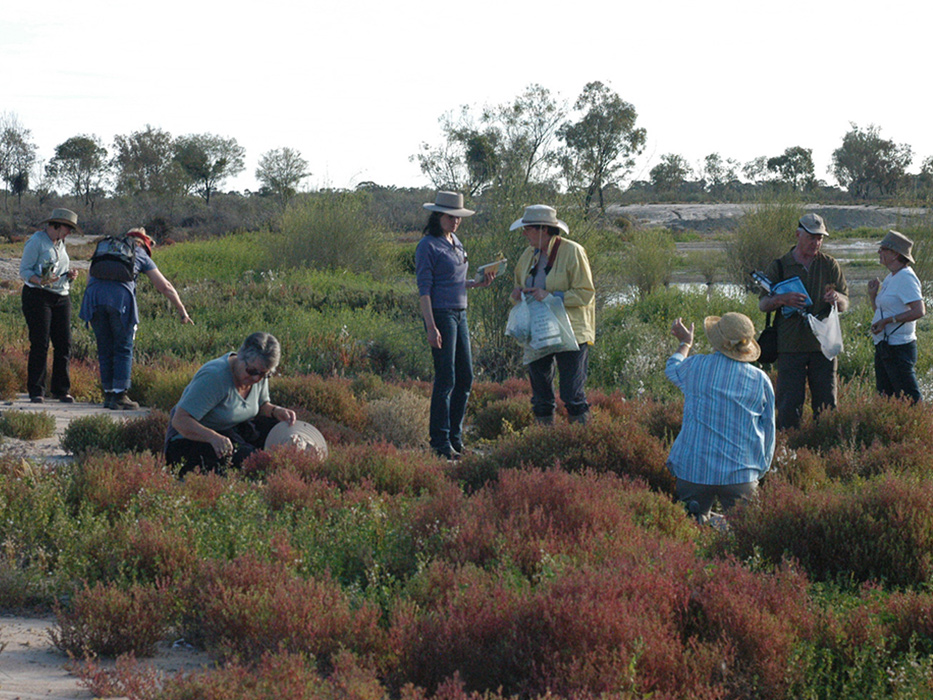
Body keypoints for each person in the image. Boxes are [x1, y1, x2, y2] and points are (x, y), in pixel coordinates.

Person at [666, 313, 775, 523]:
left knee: (689, 528)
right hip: (741, 474)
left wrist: (685, 343)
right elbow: (769, 429)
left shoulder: (695, 366)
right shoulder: (760, 380)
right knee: (744, 532)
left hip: (693, 471)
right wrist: (760, 469)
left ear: (717, 339)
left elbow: (672, 367)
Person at [415, 191, 496, 460]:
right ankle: (440, 442)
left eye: (458, 217)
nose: (455, 221)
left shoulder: (456, 241)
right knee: (446, 378)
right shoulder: (428, 245)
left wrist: (477, 283)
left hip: (461, 313)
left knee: (466, 377)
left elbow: (455, 281)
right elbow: (425, 290)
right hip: (441, 314)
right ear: (438, 215)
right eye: (451, 217)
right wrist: (431, 326)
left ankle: (455, 439)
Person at [80, 227, 193, 410]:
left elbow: (89, 279)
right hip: (120, 300)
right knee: (123, 348)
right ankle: (120, 396)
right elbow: (165, 286)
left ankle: (108, 395)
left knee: (104, 347)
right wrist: (182, 311)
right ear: (144, 244)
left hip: (94, 299)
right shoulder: (139, 253)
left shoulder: (107, 249)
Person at [758, 213, 849, 430]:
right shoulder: (780, 266)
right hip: (790, 346)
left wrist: (836, 299)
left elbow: (845, 303)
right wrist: (782, 299)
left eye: (820, 238)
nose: (816, 243)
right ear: (798, 235)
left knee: (827, 406)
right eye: (811, 237)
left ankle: (824, 443)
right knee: (789, 406)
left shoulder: (829, 265)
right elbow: (763, 304)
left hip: (823, 346)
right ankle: (788, 444)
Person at [164, 332, 297, 475]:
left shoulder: (257, 375)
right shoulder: (215, 377)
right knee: (251, 459)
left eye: (264, 374)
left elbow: (261, 405)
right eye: (252, 371)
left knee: (282, 430)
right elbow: (180, 420)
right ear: (240, 356)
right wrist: (212, 437)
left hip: (231, 430)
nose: (256, 379)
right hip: (190, 440)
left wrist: (276, 411)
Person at [510, 204, 595, 424]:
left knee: (572, 394)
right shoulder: (527, 255)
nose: (524, 234)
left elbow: (585, 293)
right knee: (540, 397)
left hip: (571, 333)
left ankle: (583, 440)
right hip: (538, 331)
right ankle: (545, 439)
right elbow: (519, 285)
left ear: (544, 229)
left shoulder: (573, 251)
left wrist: (552, 296)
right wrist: (518, 293)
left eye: (528, 229)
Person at [19, 208, 82, 403]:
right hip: (38, 296)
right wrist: (40, 281)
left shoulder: (60, 243)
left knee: (64, 343)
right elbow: (24, 271)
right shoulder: (36, 242)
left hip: (61, 296)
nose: (69, 232)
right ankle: (36, 390)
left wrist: (69, 275)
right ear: (57, 225)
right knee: (40, 342)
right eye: (68, 228)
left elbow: (58, 269)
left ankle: (61, 390)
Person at [868, 230, 925, 402]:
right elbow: (882, 312)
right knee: (887, 398)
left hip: (900, 348)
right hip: (886, 346)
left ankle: (919, 420)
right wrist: (873, 296)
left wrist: (888, 321)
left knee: (909, 399)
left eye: (883, 249)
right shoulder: (892, 277)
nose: (879, 252)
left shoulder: (906, 277)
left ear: (895, 254)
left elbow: (919, 310)